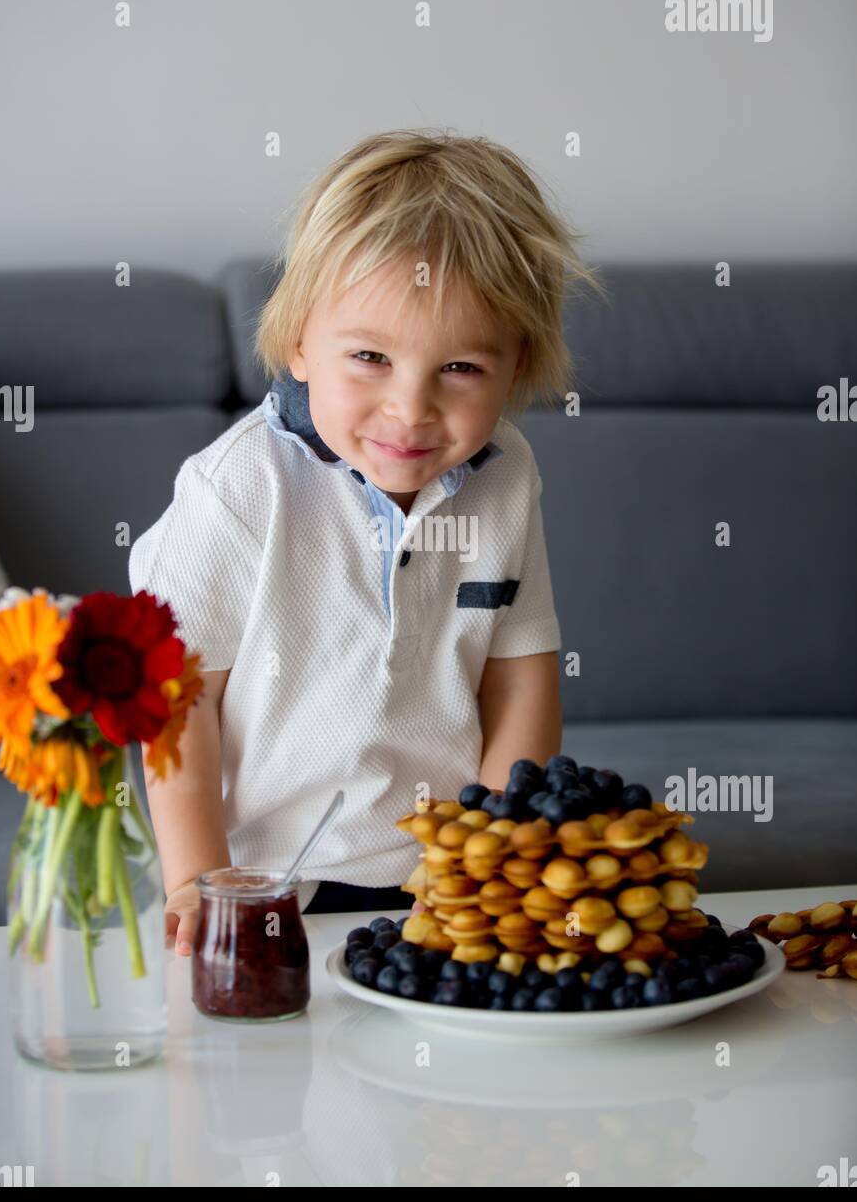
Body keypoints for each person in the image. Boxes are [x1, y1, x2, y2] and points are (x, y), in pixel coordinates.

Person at [129, 128, 605, 953]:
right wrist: (199, 883)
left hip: (436, 882)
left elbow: (520, 685)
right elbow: (178, 702)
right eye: (371, 358)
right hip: (264, 881)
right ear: (299, 342)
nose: (411, 409)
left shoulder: (508, 478)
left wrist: (487, 867)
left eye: (461, 369)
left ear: (517, 366)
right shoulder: (238, 488)